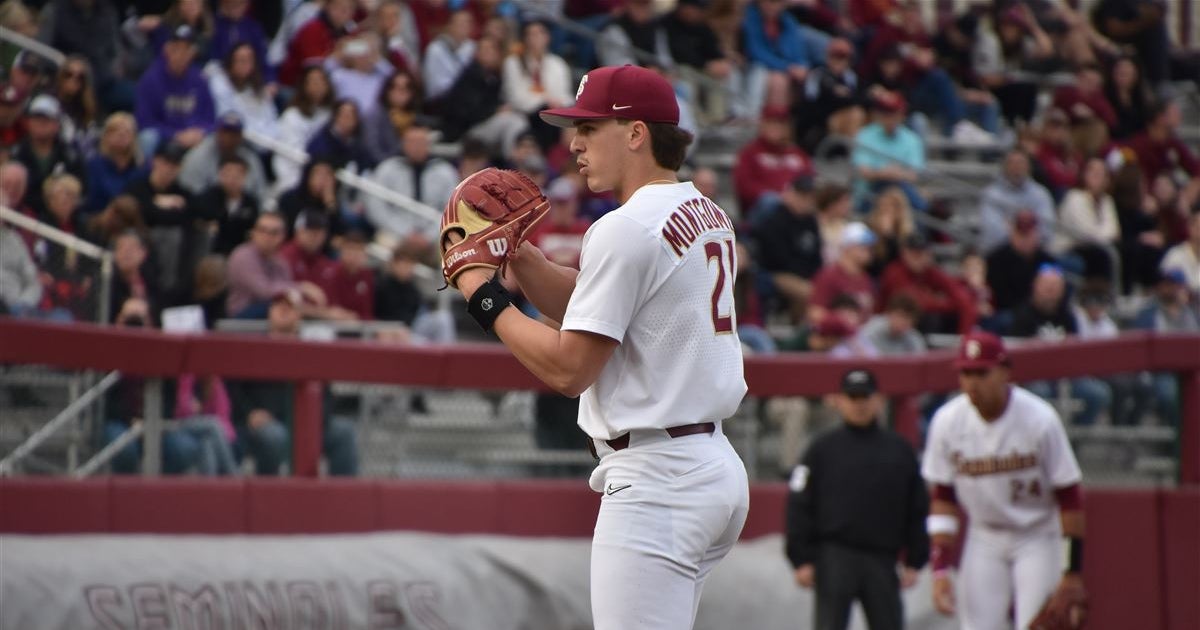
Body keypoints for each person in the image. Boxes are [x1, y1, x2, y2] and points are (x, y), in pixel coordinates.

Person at [449, 65, 750, 630]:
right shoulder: (706, 211)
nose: (574, 143)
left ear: (635, 133)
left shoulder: (624, 227)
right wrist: (522, 258)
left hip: (658, 479)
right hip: (710, 467)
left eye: (589, 128)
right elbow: (598, 309)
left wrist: (480, 294)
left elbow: (570, 370)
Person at [923, 331, 1087, 630]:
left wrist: (1072, 570)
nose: (972, 383)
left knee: (1036, 625)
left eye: (982, 373)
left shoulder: (1039, 419)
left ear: (1005, 372)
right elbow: (943, 496)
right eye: (966, 373)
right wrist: (940, 569)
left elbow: (1069, 495)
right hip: (984, 535)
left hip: (1037, 534)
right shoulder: (947, 421)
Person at [786, 367, 928, 630]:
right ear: (839, 400)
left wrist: (915, 559)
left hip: (882, 559)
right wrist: (801, 558)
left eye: (866, 397)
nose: (859, 404)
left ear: (879, 400)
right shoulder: (821, 450)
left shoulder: (900, 450)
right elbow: (799, 504)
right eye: (853, 397)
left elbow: (916, 506)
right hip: (835, 557)